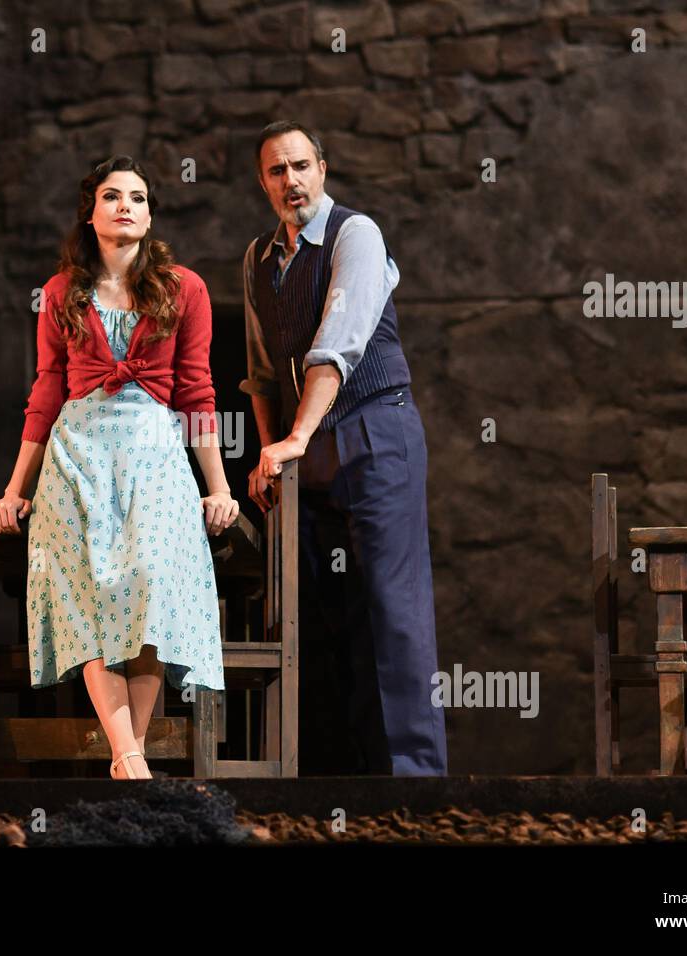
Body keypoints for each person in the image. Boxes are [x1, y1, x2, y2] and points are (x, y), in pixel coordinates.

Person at [0, 155, 239, 781]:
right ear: (91, 212)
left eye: (138, 196)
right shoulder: (60, 292)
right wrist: (14, 489)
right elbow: (46, 392)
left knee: (152, 586)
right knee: (89, 592)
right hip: (79, 451)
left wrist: (219, 487)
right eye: (111, 195)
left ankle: (130, 757)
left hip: (154, 448)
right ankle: (130, 758)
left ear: (150, 214)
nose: (126, 205)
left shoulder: (185, 288)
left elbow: (198, 392)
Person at [241, 121, 448, 776]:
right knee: (331, 612)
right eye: (277, 171)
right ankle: (355, 789)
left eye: (301, 166)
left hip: (375, 431)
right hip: (309, 453)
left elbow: (338, 343)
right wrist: (275, 447)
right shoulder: (258, 260)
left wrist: (294, 439)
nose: (291, 181)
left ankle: (415, 784)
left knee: (394, 605)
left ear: (323, 168)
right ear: (262, 181)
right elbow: (264, 373)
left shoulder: (355, 234)